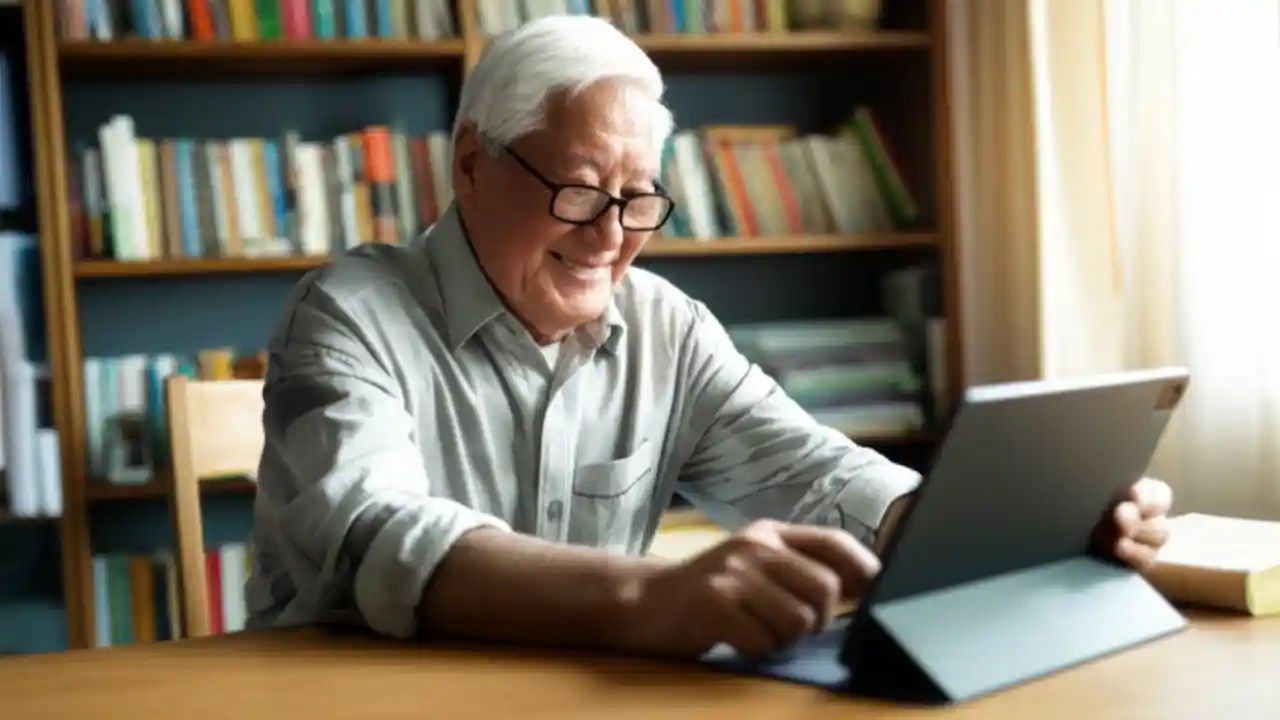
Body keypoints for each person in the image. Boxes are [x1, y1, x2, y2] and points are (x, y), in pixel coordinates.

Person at [245, 16, 1173, 659]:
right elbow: (378, 540)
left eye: (640, 199)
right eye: (577, 191)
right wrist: (652, 594)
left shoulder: (667, 327)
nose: (612, 236)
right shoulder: (347, 314)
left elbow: (816, 475)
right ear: (474, 165)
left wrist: (1014, 530)